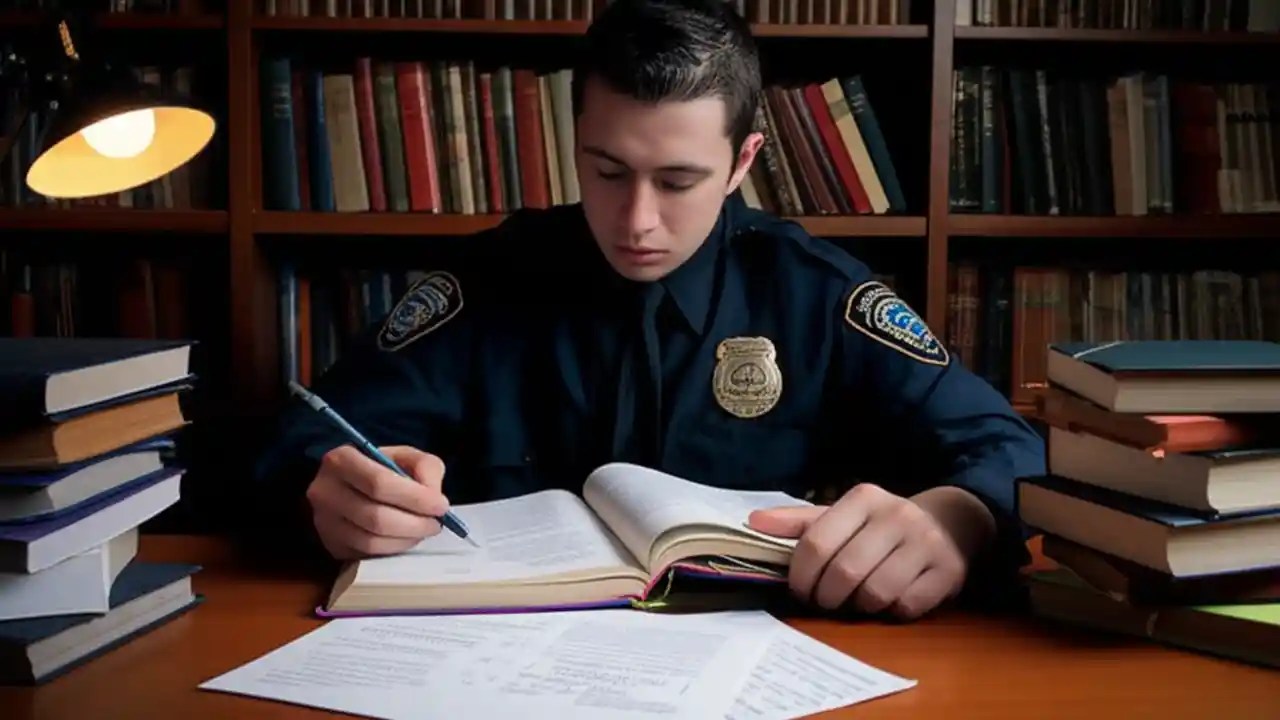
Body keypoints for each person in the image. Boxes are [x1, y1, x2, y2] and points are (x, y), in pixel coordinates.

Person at [253, 0, 1046, 620]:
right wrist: (329, 490)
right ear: (576, 140)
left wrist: (958, 520)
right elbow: (304, 442)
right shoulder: (484, 284)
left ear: (741, 163)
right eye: (606, 171)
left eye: (676, 181)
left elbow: (1008, 448)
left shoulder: (814, 293)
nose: (636, 221)